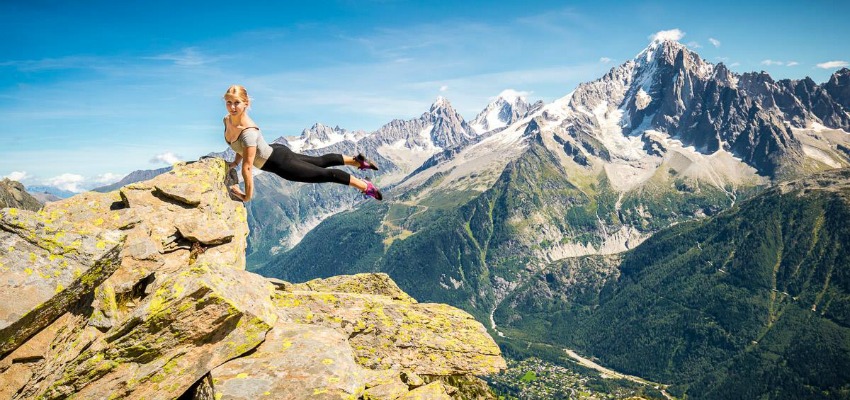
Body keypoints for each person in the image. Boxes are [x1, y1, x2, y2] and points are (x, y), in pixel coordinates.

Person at [222, 85, 382, 202]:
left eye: (236, 102)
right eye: (229, 102)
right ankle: (358, 161)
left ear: (246, 103)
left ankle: (365, 186)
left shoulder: (249, 132)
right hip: (276, 151)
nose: (232, 107)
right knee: (320, 161)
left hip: (280, 163)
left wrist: (246, 196)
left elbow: (248, 167)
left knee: (325, 174)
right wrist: (235, 161)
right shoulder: (227, 120)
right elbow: (240, 145)